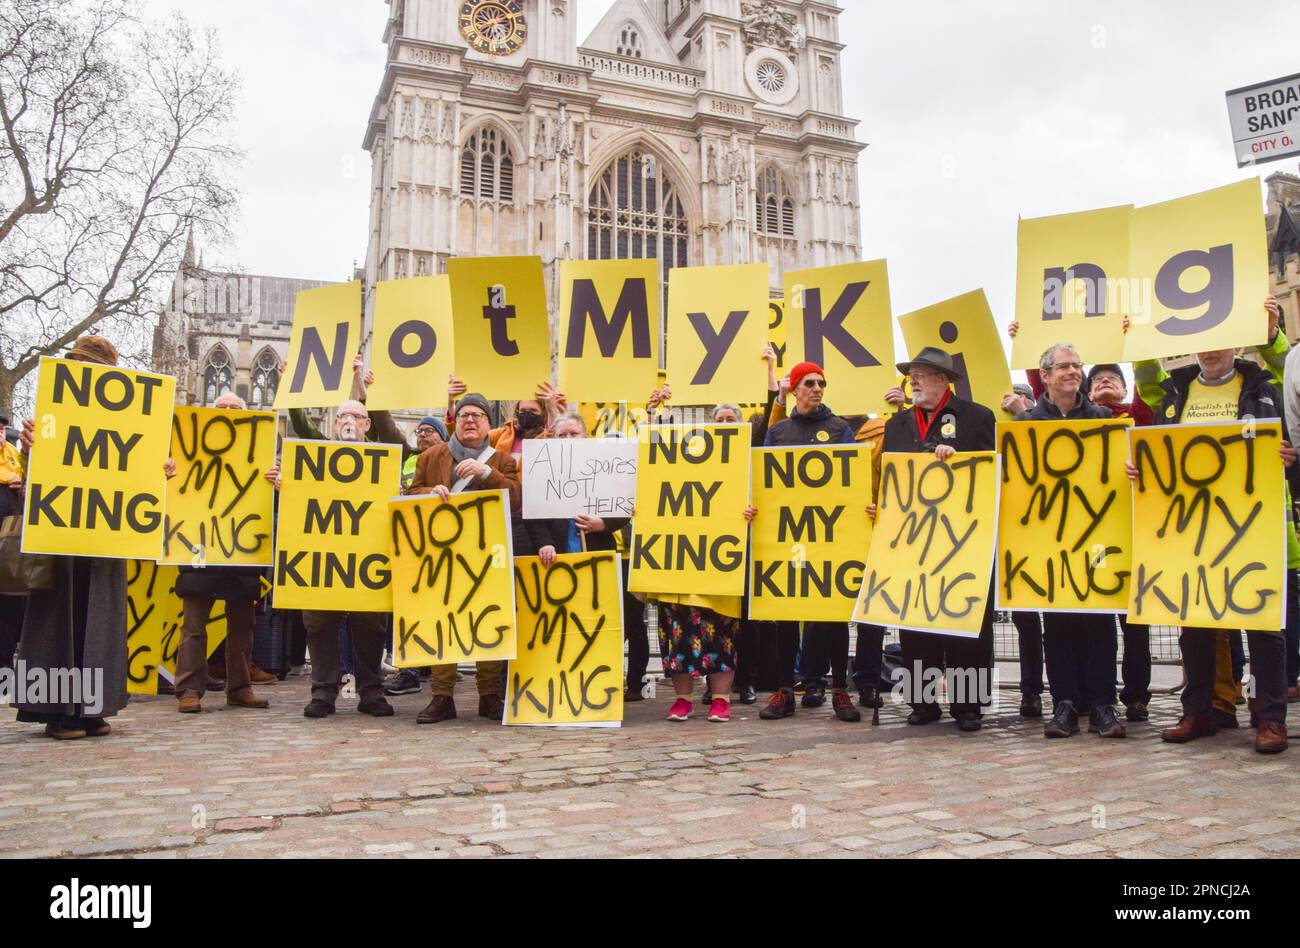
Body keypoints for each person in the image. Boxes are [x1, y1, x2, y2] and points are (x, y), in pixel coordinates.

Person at [1128, 340, 1297, 754]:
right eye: (1202, 344)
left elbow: (1290, 414)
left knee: (1263, 629)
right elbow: (1159, 440)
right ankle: (1199, 711)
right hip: (1194, 527)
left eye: (1219, 343)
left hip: (1253, 524)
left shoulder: (1263, 388)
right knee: (1196, 626)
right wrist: (1142, 464)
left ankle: (1271, 717)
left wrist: (1290, 455)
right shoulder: (1175, 392)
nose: (1210, 352)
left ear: (1236, 343)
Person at [11, 335, 163, 739]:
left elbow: (134, 470)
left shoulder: (129, 420)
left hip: (105, 539)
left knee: (101, 621)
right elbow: (32, 482)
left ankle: (92, 707)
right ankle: (57, 712)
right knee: (60, 620)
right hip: (60, 536)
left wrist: (157, 471)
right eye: (81, 365)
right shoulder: (52, 414)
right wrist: (30, 449)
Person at [876, 346, 996, 732]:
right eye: (911, 374)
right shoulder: (897, 425)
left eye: (922, 374)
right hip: (914, 541)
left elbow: (992, 471)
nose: (913, 380)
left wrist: (958, 459)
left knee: (965, 628)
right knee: (915, 625)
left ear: (943, 381)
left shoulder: (977, 418)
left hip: (963, 538)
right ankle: (922, 702)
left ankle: (969, 705)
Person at [1012, 343, 1125, 739]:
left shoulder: (1102, 417)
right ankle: (1064, 704)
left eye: (1077, 365)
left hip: (1095, 539)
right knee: (1056, 626)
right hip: (1049, 542)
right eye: (1064, 366)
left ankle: (1102, 705)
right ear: (1044, 375)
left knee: (1100, 624)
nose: (1073, 371)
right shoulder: (1026, 424)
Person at [269, 398, 396, 720]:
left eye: (356, 415)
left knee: (371, 628)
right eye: (343, 416)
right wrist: (285, 487)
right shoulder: (315, 457)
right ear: (334, 424)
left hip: (367, 559)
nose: (349, 421)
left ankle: (371, 691)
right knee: (320, 626)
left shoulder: (385, 459)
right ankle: (323, 692)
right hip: (324, 561)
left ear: (368, 425)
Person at [750, 360, 860, 724]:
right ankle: (784, 690)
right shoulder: (779, 432)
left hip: (829, 538)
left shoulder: (840, 428)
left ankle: (840, 689)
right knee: (785, 614)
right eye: (810, 383)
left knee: (833, 616)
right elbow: (765, 482)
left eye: (821, 384)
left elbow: (852, 485)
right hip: (789, 537)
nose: (817, 389)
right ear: (794, 388)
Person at [407, 392, 522, 724]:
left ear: (488, 422)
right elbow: (409, 494)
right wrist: (431, 493)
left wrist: (486, 474)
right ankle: (442, 697)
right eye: (464, 415)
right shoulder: (430, 457)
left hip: (488, 557)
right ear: (455, 422)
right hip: (443, 556)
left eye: (477, 415)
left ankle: (489, 696)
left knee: (487, 622)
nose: (470, 420)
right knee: (445, 621)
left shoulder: (501, 460)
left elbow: (515, 498)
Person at [173, 393, 272, 714]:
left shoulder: (261, 450)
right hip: (200, 547)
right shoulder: (189, 446)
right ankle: (189, 688)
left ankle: (240, 688)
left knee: (242, 627)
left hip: (241, 549)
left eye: (236, 408)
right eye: (222, 408)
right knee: (194, 626)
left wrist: (275, 479)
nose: (229, 412)